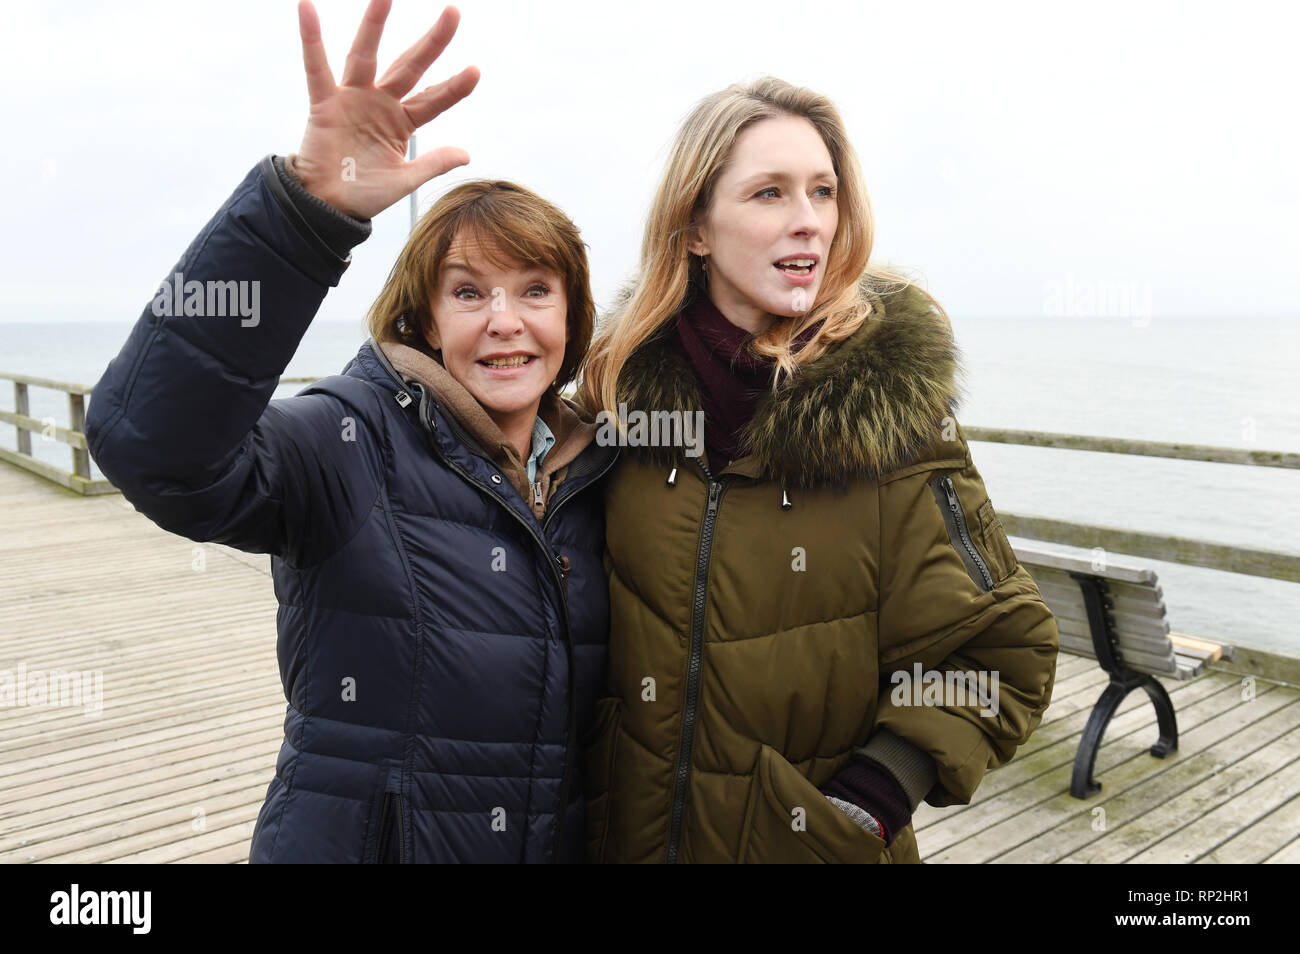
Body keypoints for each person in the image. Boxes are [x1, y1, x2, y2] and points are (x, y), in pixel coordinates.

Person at [85, 1, 616, 863]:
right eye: (470, 292)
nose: (505, 322)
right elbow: (155, 449)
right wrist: (298, 220)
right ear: (425, 316)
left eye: (535, 290)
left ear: (574, 315)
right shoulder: (347, 438)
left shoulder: (597, 475)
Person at [576, 76, 1061, 863]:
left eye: (823, 192)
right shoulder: (615, 405)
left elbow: (1000, 652)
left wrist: (871, 797)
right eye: (769, 193)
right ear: (695, 227)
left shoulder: (892, 425)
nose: (808, 222)